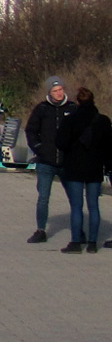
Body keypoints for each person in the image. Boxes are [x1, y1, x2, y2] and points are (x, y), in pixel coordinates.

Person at [25, 76, 80, 243]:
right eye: (55, 91)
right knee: (43, 198)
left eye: (60, 89)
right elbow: (31, 131)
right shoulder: (42, 109)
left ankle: (78, 231)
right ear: (49, 92)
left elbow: (82, 130)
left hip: (67, 163)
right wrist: (39, 148)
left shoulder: (73, 108)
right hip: (45, 162)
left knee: (75, 198)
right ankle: (41, 230)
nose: (58, 93)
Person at [56, 87, 111, 253]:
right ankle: (93, 244)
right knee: (93, 206)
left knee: (76, 206)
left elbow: (60, 143)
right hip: (95, 167)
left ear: (78, 101)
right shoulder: (103, 120)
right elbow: (108, 146)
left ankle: (76, 243)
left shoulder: (70, 120)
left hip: (74, 167)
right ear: (93, 100)